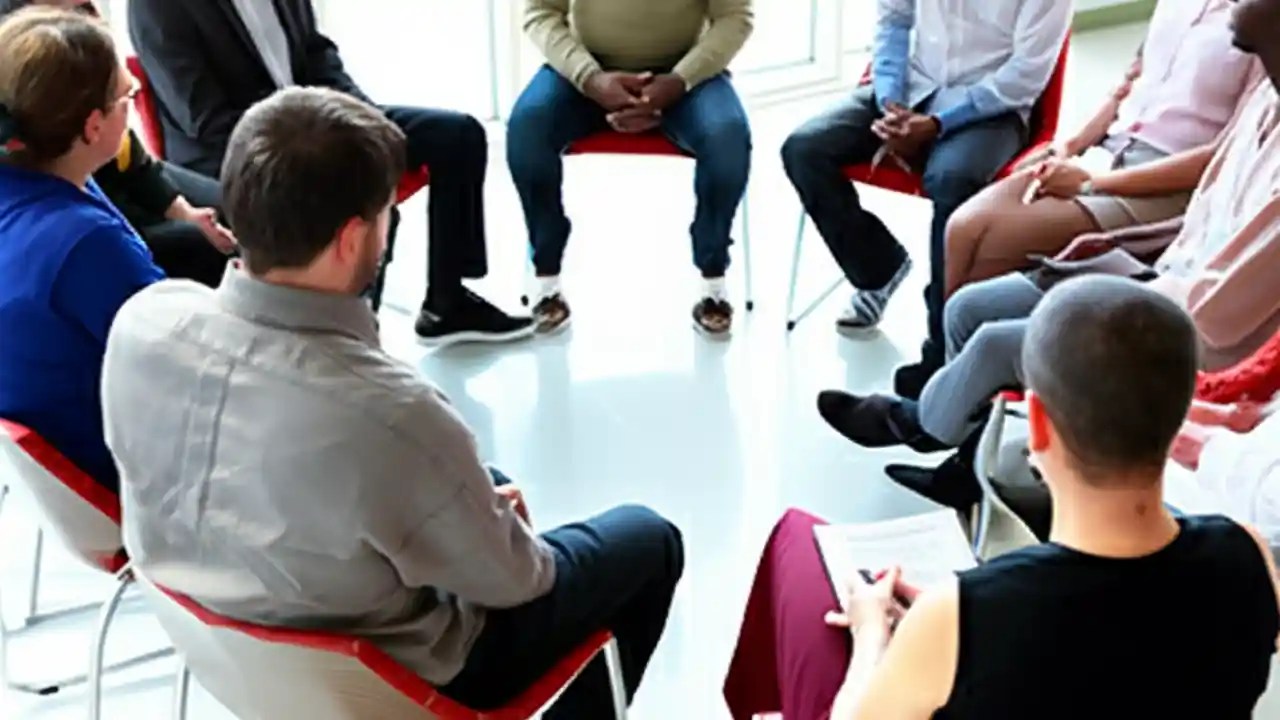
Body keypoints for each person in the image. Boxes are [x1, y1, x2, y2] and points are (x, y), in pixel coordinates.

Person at [102, 87, 683, 718]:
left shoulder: (143, 322)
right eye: (386, 215)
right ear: (352, 239)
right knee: (650, 541)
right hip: (391, 677)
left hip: (222, 642)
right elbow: (520, 582)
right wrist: (502, 533)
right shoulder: (391, 414)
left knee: (483, 484)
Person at [724, 276, 1280, 720]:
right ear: (1180, 413)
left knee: (799, 535)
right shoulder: (1249, 555)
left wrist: (874, 633)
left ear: (1036, 423)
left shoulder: (964, 613)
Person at [817, 1, 1280, 456]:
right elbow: (1127, 91)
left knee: (990, 285)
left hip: (1157, 196)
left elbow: (1210, 306)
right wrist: (1070, 150)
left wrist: (1095, 195)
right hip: (1114, 168)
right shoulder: (1248, 86)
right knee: (963, 252)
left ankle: (933, 422)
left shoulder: (1257, 72)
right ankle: (952, 402)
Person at [127, 0, 533, 345]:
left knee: (457, 136)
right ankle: (349, 341)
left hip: (318, 120)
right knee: (358, 205)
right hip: (240, 150)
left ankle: (447, 303)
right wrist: (316, 149)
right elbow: (204, 118)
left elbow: (318, 54)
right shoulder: (157, 5)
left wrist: (364, 120)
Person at [782, 1, 1071, 382]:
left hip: (990, 108)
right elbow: (894, 22)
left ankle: (941, 350)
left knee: (952, 180)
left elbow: (1025, 76)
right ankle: (877, 269)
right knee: (804, 149)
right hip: (912, 88)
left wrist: (938, 123)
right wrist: (890, 103)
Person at [943, 0, 1263, 302]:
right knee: (961, 228)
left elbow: (1224, 154)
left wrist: (1090, 184)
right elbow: (1126, 88)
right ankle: (949, 348)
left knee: (994, 245)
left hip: (1166, 183)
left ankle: (968, 345)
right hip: (1108, 151)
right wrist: (1067, 147)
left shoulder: (1259, 21)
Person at [511, 0, 754, 336]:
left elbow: (734, 18)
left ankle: (713, 284)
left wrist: (678, 82)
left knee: (726, 136)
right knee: (528, 128)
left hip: (684, 79)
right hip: (583, 76)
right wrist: (590, 78)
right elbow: (541, 13)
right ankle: (546, 281)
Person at [0, 6, 164, 494]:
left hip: (59, 461)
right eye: (126, 96)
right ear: (93, 127)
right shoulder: (86, 245)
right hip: (130, 477)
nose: (131, 104)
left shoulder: (46, 183)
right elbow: (183, 357)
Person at [0, 0, 234, 289]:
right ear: (92, 124)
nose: (135, 83)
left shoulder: (68, 163)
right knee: (196, 243)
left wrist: (182, 210)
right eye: (128, 96)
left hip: (107, 179)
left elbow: (128, 156)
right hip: (105, 210)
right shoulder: (94, 237)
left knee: (233, 206)